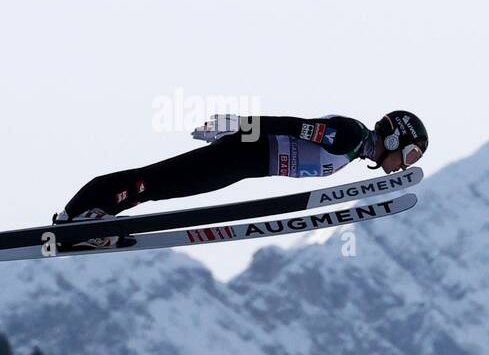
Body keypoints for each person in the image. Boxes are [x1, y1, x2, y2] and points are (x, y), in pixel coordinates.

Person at [55, 111, 427, 249]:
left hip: (244, 164)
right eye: (408, 156)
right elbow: (292, 126)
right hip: (243, 155)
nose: (403, 166)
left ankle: (89, 218)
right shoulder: (349, 136)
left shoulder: (351, 148)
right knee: (155, 182)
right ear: (395, 139)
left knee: (157, 185)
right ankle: (84, 216)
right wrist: (240, 126)